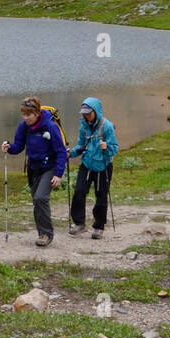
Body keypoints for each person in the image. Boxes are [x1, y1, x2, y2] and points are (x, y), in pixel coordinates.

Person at [2, 97, 67, 247]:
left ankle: (46, 234)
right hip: (33, 169)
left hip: (49, 168)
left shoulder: (50, 127)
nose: (25, 118)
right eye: (23, 114)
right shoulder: (23, 126)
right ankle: (41, 233)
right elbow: (18, 146)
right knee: (37, 202)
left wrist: (58, 174)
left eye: (28, 114)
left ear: (37, 113)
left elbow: (61, 151)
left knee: (40, 198)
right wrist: (9, 147)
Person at [68, 97, 119, 239]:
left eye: (89, 113)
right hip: (87, 164)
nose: (86, 115)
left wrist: (106, 147)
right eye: (84, 113)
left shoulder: (107, 126)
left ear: (96, 111)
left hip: (103, 166)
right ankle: (79, 224)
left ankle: (99, 227)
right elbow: (80, 145)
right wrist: (70, 153)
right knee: (79, 192)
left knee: (101, 196)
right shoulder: (83, 126)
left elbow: (114, 148)